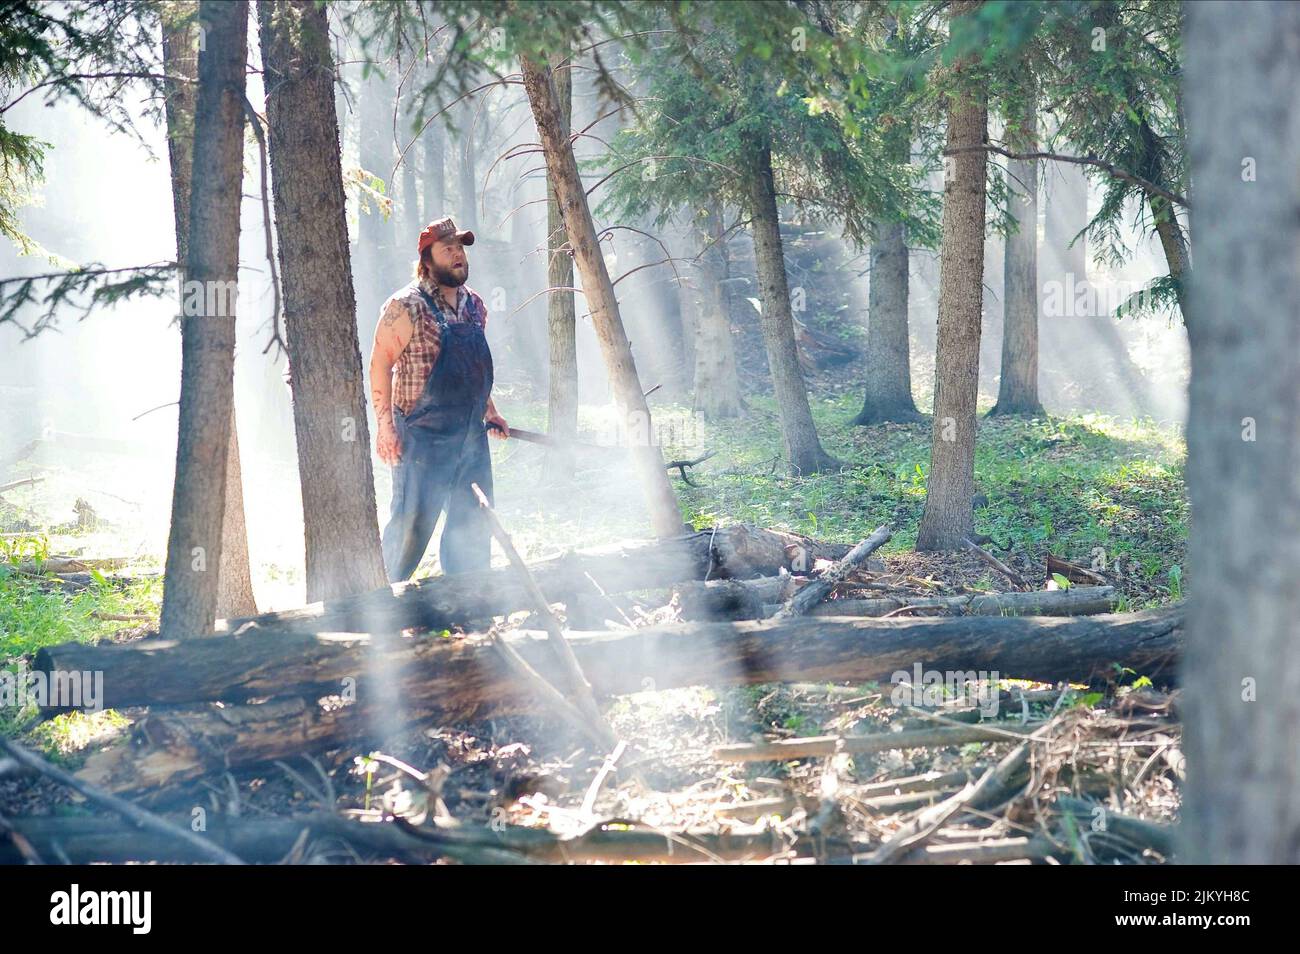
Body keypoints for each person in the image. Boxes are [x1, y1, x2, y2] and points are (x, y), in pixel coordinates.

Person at [369, 216, 509, 582]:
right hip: (420, 438)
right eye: (448, 249)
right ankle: (380, 614)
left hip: (470, 437)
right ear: (426, 261)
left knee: (474, 526)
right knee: (410, 530)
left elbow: (473, 364)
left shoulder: (475, 305)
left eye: (460, 248)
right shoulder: (405, 305)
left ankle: (468, 613)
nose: (458, 255)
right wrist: (385, 428)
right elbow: (380, 363)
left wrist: (490, 410)